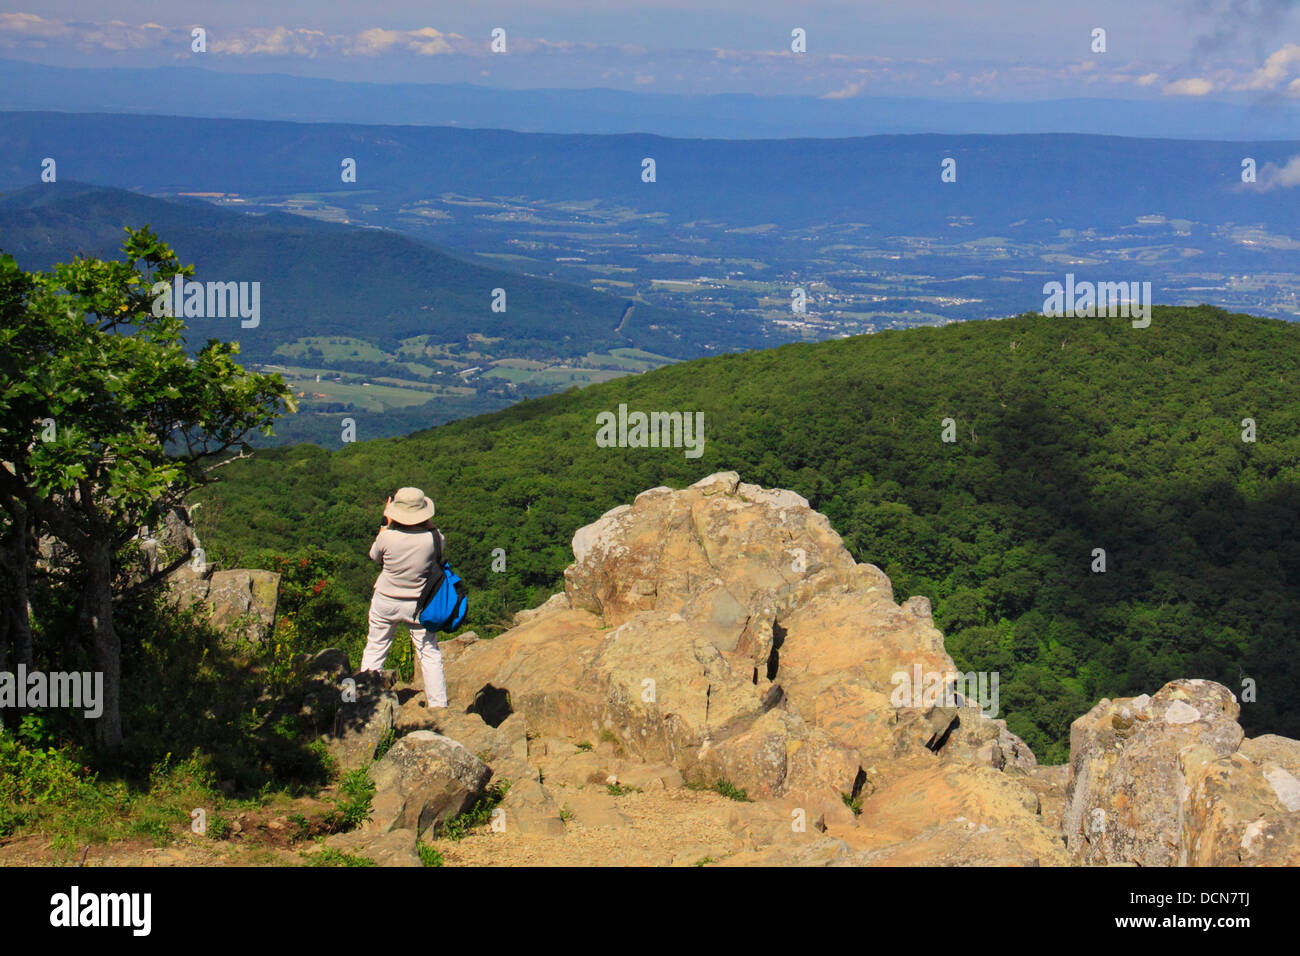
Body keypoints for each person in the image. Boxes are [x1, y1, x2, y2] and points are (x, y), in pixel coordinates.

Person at [359, 486, 448, 708]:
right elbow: (438, 547)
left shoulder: (386, 537)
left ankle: (364, 703)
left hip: (386, 601)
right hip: (419, 604)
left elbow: (374, 557)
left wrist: (384, 524)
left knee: (376, 647)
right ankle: (439, 706)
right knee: (429, 652)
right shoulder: (435, 537)